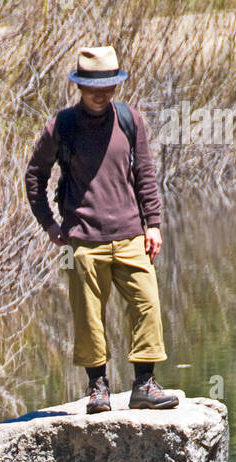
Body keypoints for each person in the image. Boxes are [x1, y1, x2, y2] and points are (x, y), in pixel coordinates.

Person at [25, 45, 178, 413]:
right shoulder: (62, 126)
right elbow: (34, 176)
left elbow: (145, 174)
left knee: (147, 305)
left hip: (130, 235)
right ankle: (98, 390)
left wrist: (153, 224)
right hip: (83, 240)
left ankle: (144, 385)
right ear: (79, 86)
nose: (102, 93)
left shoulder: (130, 120)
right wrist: (49, 224)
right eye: (95, 87)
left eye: (109, 86)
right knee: (89, 316)